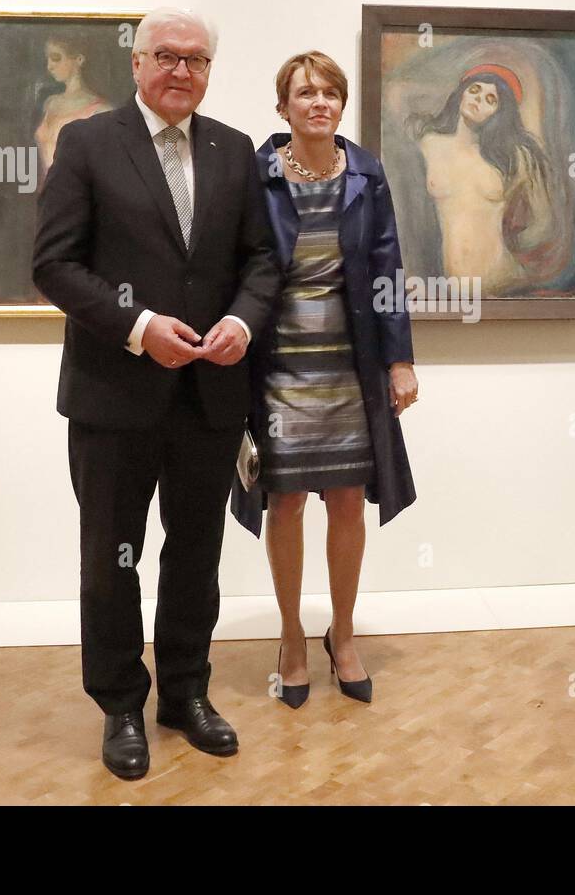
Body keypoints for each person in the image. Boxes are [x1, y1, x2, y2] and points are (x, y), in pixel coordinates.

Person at [32, 7, 282, 780]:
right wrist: (139, 326)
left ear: (210, 71)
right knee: (113, 558)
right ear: (136, 62)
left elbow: (262, 260)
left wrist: (242, 320)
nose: (181, 70)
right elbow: (53, 263)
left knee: (196, 554)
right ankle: (119, 705)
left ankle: (185, 693)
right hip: (114, 396)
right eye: (166, 55)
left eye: (196, 59)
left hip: (210, 395)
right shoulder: (87, 142)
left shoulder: (234, 149)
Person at [231, 51, 417, 709]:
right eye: (305, 92)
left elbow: (387, 266)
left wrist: (400, 359)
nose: (319, 102)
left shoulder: (366, 171)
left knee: (346, 499)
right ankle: (290, 637)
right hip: (278, 365)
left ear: (341, 104)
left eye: (330, 93)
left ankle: (343, 633)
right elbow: (237, 266)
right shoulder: (256, 173)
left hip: (349, 366)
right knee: (283, 502)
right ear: (283, 106)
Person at [409, 65, 567, 295]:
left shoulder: (514, 157)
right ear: (461, 93)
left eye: (490, 99)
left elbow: (542, 224)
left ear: (499, 112)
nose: (478, 100)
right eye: (474, 90)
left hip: (502, 283)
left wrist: (513, 235)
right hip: (447, 286)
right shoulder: (428, 145)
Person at [34, 33, 113, 178]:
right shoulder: (50, 103)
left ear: (79, 59)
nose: (49, 66)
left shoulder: (101, 111)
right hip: (47, 190)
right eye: (48, 59)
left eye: (56, 58)